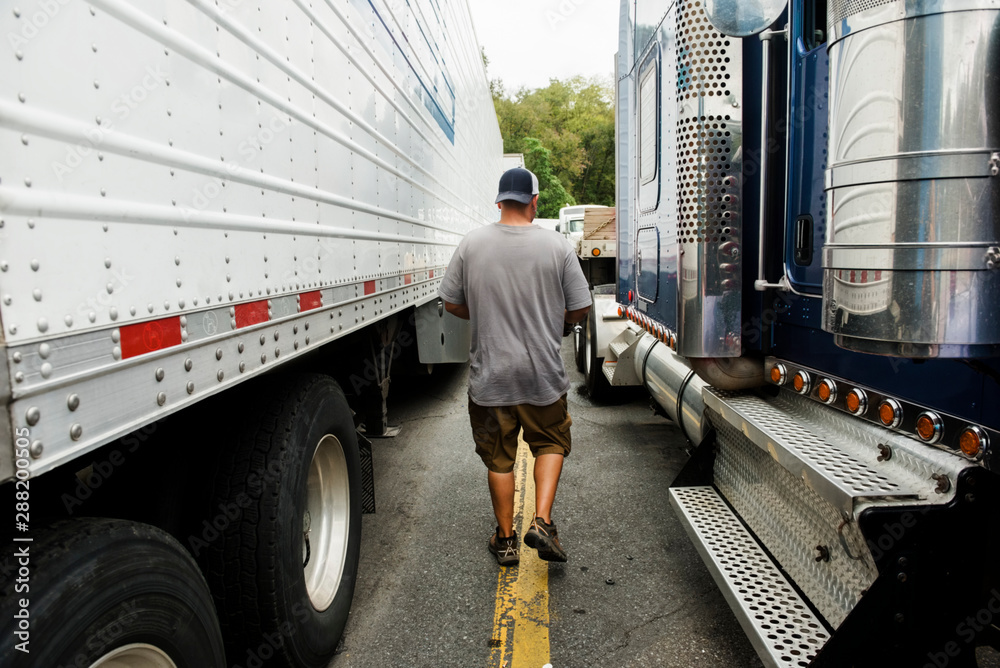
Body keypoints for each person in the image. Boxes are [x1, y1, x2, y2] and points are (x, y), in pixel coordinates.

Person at [439, 167, 592, 567]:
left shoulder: (472, 244)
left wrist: (486, 312)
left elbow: (450, 302)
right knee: (552, 443)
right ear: (534, 201)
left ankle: (505, 540)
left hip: (491, 379)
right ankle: (541, 522)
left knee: (500, 459)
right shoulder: (557, 246)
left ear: (500, 201)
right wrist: (558, 322)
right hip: (541, 375)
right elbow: (581, 306)